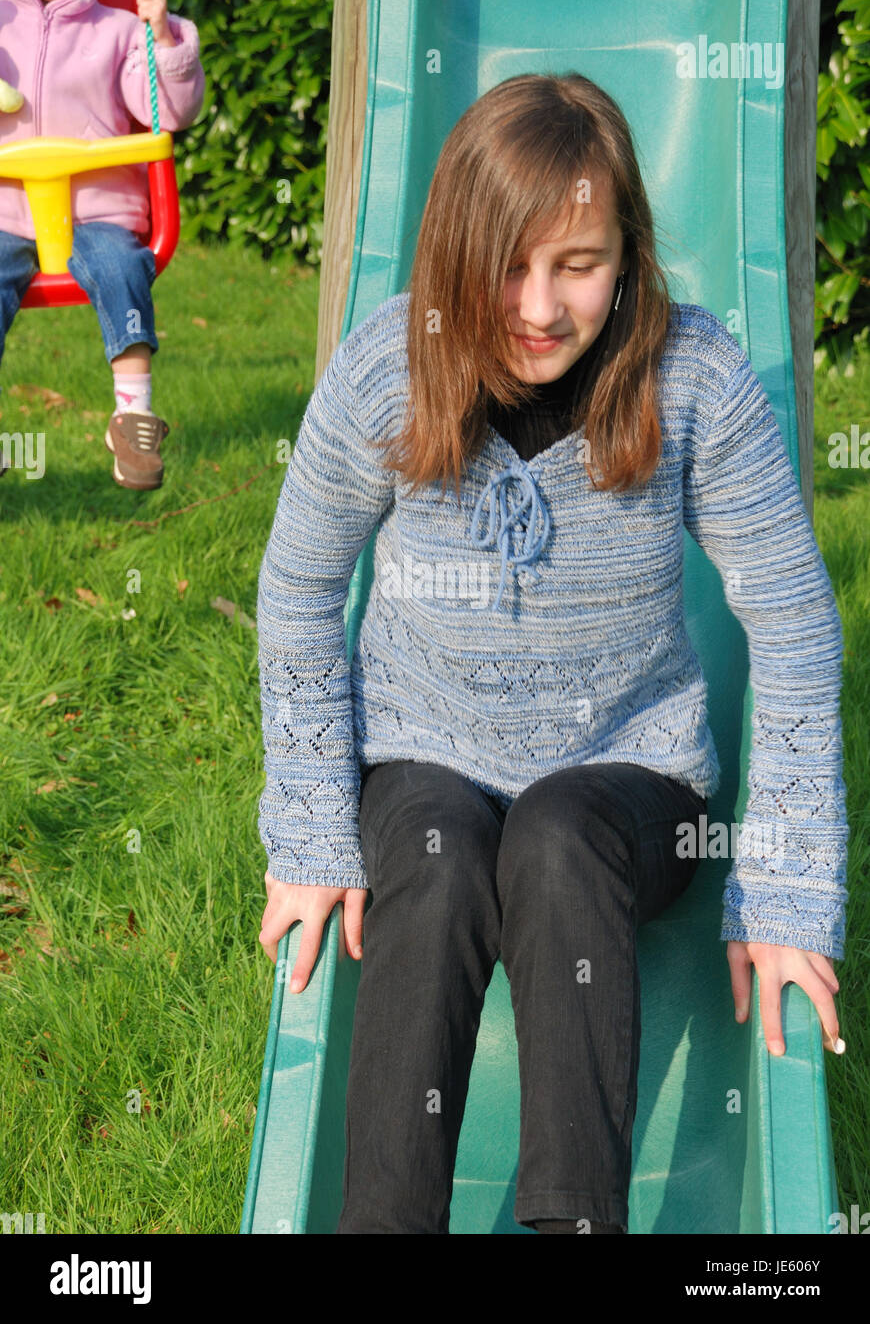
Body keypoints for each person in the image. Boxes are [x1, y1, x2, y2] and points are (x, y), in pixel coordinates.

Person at [256, 73, 849, 1235]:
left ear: (626, 254)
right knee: (433, 854)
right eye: (508, 264)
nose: (537, 305)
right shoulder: (391, 367)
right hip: (427, 747)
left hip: (624, 779)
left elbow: (791, 622)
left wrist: (783, 888)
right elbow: (298, 587)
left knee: (559, 836)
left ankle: (575, 1222)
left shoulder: (694, 381)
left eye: (576, 262)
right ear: (453, 253)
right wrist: (314, 828)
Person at [0, 0, 205, 489]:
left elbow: (171, 111)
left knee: (122, 269)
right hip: (8, 213)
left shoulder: (119, 30)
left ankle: (134, 418)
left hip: (101, 210)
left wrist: (162, 36)